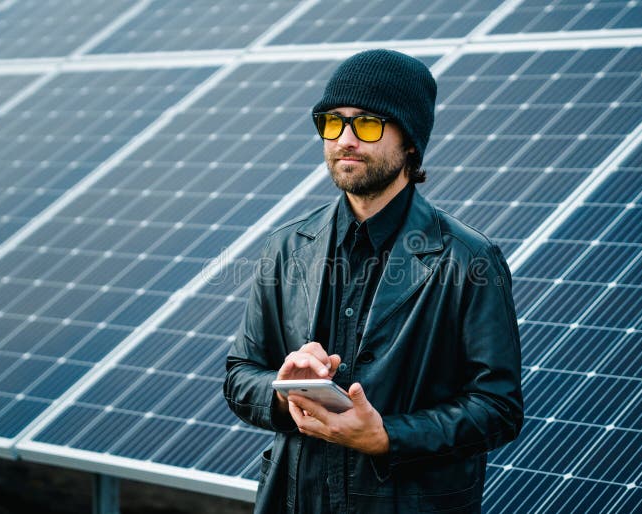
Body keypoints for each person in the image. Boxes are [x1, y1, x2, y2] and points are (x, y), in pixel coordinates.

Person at [224, 49, 523, 514]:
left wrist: (388, 437)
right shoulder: (286, 248)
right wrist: (284, 391)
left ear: (409, 142)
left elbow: (498, 409)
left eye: (366, 124)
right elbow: (240, 374)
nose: (345, 139)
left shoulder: (469, 260)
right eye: (332, 122)